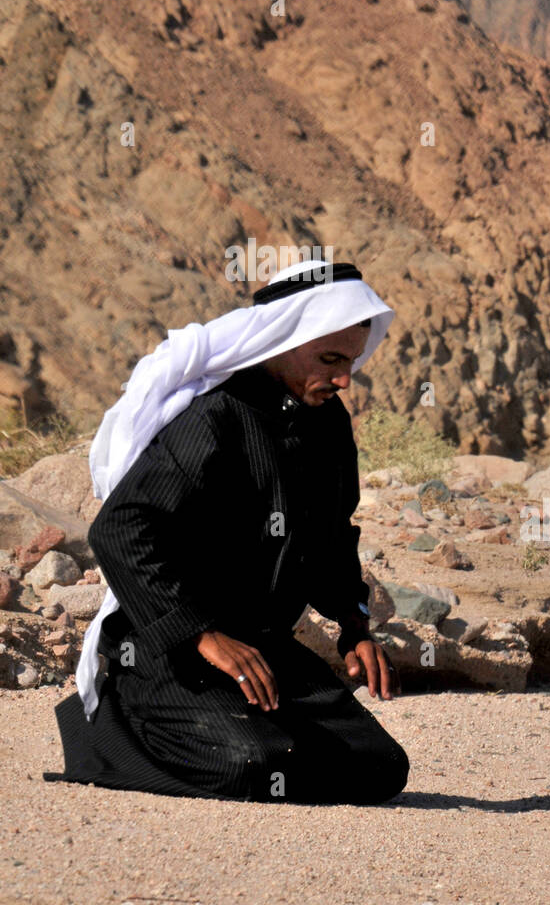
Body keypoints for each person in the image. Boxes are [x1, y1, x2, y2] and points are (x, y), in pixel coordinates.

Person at [44, 259, 410, 804]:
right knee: (251, 763)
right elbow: (121, 529)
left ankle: (246, 735)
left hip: (260, 649)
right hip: (169, 650)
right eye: (330, 360)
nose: (342, 379)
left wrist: (353, 624)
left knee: (381, 769)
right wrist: (202, 635)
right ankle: (111, 729)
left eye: (351, 363)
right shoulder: (215, 416)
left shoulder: (328, 424)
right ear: (283, 341)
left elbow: (331, 536)